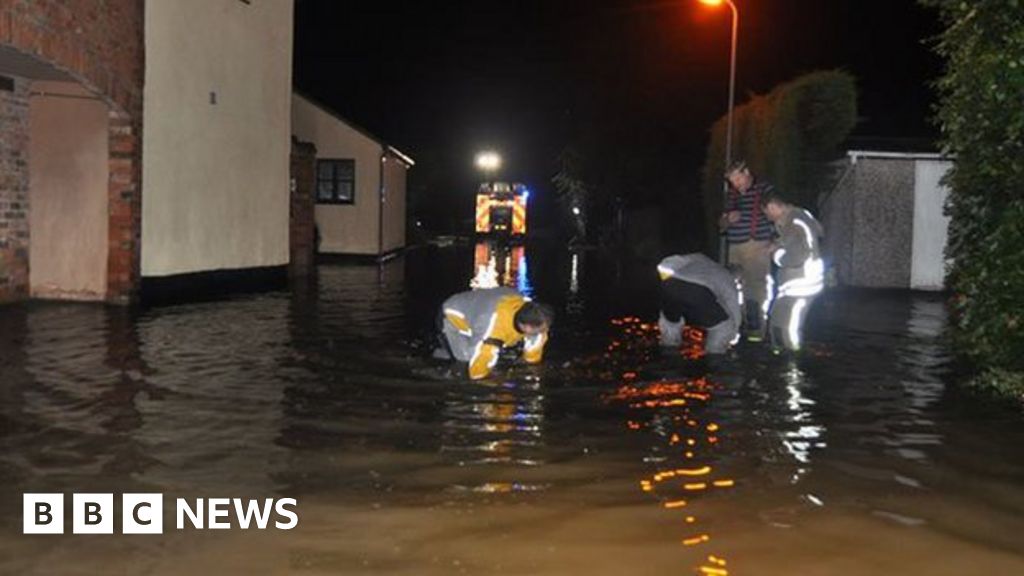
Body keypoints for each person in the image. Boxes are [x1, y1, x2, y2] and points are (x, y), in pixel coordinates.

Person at [437, 287, 553, 380]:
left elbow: (534, 349)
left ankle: (448, 353)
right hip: (452, 316)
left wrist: (530, 369)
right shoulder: (492, 328)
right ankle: (437, 362)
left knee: (496, 355)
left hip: (478, 312)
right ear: (526, 327)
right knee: (466, 359)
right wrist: (491, 382)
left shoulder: (532, 311)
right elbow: (477, 373)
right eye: (539, 330)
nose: (543, 332)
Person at [760, 191, 825, 352]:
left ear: (772, 206)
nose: (767, 217)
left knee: (788, 327)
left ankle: (792, 366)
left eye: (766, 212)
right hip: (797, 284)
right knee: (777, 319)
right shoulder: (799, 216)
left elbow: (797, 255)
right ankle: (781, 357)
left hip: (802, 284)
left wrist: (776, 254)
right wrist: (779, 243)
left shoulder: (794, 223)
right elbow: (815, 233)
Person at [720, 161, 776, 339]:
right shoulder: (732, 195)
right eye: (732, 181)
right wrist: (727, 219)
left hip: (757, 245)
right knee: (733, 287)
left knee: (756, 288)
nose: (736, 184)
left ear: (747, 172)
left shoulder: (765, 189)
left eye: (738, 179)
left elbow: (777, 213)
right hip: (735, 246)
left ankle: (757, 331)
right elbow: (721, 225)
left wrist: (776, 240)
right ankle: (738, 326)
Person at [657, 253, 742, 354]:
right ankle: (714, 357)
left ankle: (669, 352)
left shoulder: (701, 258)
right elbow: (733, 306)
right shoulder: (727, 278)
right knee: (724, 327)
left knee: (671, 323)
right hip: (697, 293)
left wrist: (668, 281)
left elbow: (667, 263)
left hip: (669, 286)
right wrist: (733, 334)